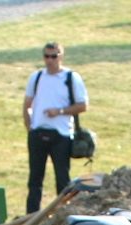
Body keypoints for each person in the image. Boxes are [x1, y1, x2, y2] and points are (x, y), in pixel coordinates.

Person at [21, 41, 86, 212]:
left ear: (61, 57)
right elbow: (27, 103)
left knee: (62, 180)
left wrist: (60, 111)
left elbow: (82, 105)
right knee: (35, 180)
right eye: (46, 56)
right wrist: (30, 126)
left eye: (53, 56)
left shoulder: (71, 78)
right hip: (38, 133)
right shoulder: (36, 77)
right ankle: (32, 216)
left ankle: (62, 214)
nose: (50, 60)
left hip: (61, 134)